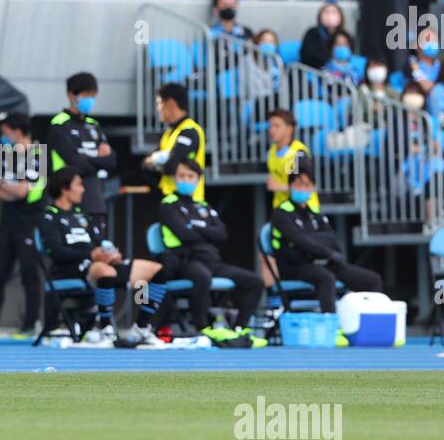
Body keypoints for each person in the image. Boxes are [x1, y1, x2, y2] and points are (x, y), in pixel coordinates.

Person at [36, 168, 165, 345]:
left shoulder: (81, 214)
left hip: (98, 263)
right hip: (69, 269)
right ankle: (106, 329)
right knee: (105, 272)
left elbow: (99, 242)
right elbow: (56, 251)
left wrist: (111, 254)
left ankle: (141, 326)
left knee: (156, 271)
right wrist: (90, 254)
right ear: (64, 189)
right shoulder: (48, 216)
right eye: (78, 185)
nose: (82, 189)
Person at [158, 159, 266, 346]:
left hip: (212, 260)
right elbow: (184, 234)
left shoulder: (203, 206)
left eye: (190, 176)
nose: (186, 179)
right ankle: (203, 329)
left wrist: (196, 227)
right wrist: (205, 231)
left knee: (255, 282)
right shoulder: (168, 204)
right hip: (185, 260)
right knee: (202, 277)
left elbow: (222, 234)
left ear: (198, 180)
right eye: (181, 175)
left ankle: (239, 330)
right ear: (174, 178)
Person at [268, 158, 383, 330]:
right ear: (290, 186)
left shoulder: (315, 214)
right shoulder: (281, 213)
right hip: (294, 266)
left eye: (307, 184)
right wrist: (322, 248)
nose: (302, 188)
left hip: (322, 261)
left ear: (313, 188)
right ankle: (331, 328)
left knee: (372, 280)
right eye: (298, 183)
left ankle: (373, 327)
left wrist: (315, 243)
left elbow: (331, 239)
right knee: (325, 278)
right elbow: (300, 241)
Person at [0, 113, 44, 339]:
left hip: (30, 223)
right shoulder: (6, 155)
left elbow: (23, 192)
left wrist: (8, 187)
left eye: (6, 131)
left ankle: (29, 324)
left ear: (17, 130)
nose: (4, 137)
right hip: (7, 222)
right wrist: (10, 188)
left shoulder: (36, 153)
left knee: (29, 273)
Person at [46, 71, 117, 236]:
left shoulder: (94, 125)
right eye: (86, 94)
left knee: (100, 250)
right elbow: (75, 162)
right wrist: (98, 157)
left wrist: (90, 159)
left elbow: (112, 160)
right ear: (71, 95)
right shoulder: (59, 124)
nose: (90, 99)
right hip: (67, 200)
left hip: (95, 200)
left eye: (93, 95)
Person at [144, 82, 206, 202]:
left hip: (189, 202)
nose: (158, 109)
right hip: (169, 198)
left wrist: (156, 162)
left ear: (170, 103)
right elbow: (145, 163)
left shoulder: (189, 131)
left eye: (159, 103)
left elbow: (171, 166)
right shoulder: (170, 132)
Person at [266, 108, 316, 209]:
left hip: (303, 210)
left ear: (290, 129)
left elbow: (303, 187)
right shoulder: (271, 151)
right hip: (281, 208)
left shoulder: (297, 152)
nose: (272, 130)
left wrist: (277, 186)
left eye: (277, 126)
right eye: (270, 126)